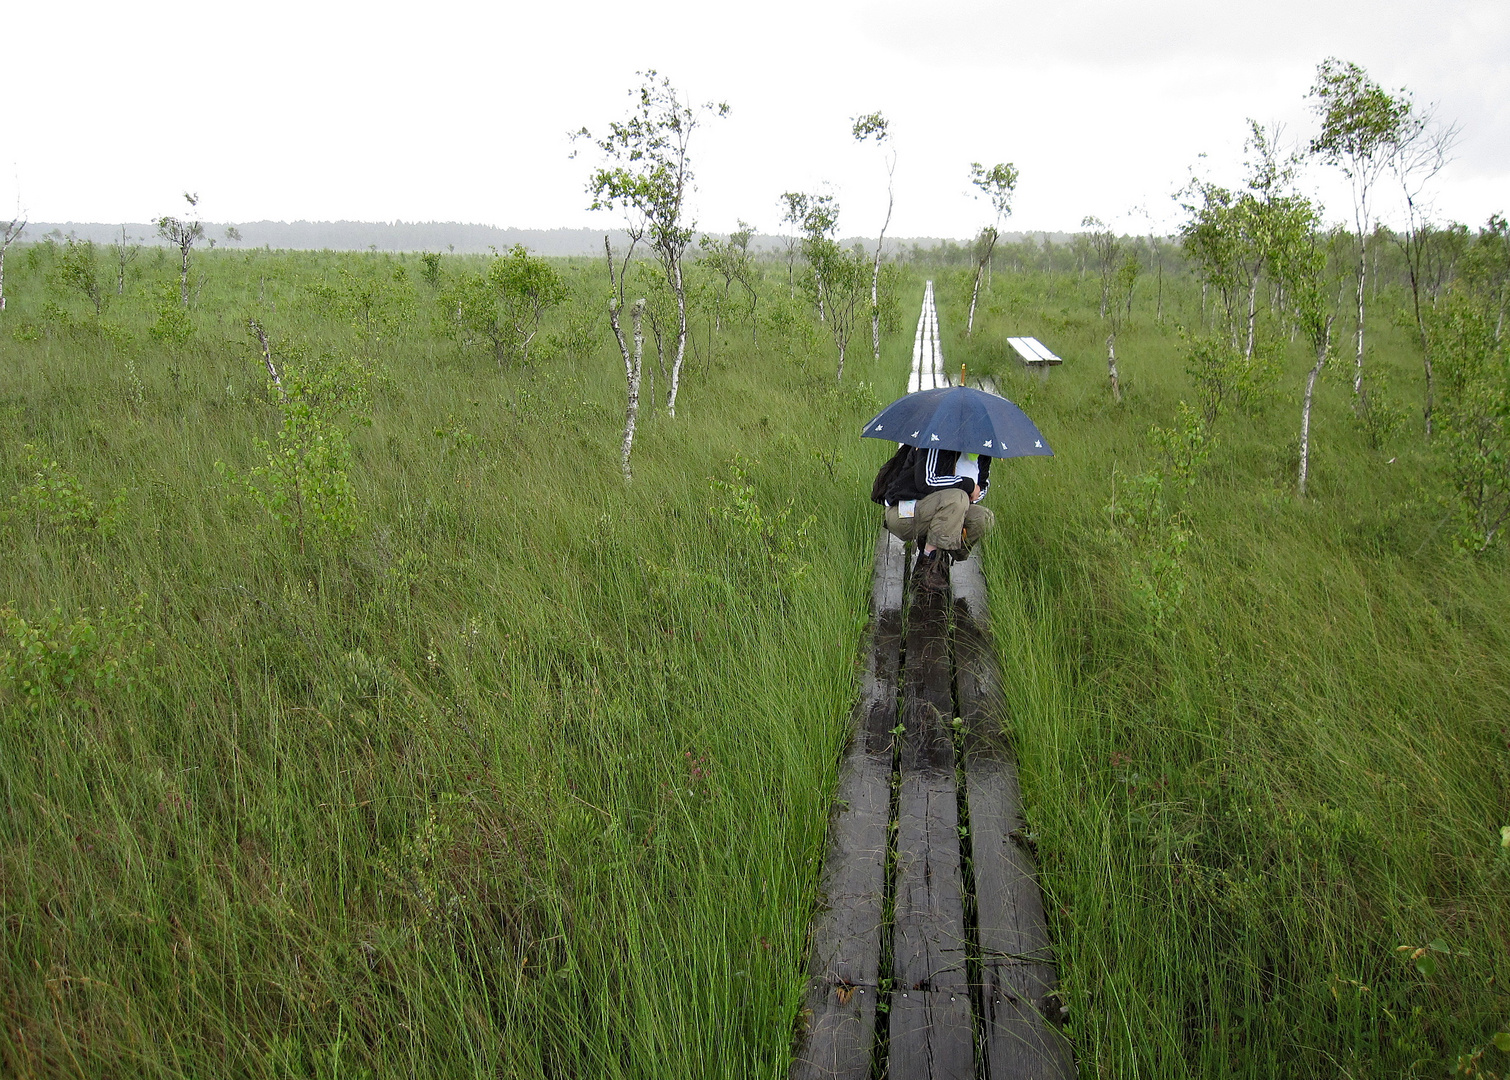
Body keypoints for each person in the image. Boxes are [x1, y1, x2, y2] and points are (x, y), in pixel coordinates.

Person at [880, 445, 996, 591]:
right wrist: (966, 485)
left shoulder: (983, 453)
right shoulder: (934, 443)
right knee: (957, 498)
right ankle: (927, 564)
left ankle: (943, 551)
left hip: (940, 508)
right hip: (904, 512)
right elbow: (926, 482)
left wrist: (970, 493)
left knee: (983, 518)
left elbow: (981, 488)